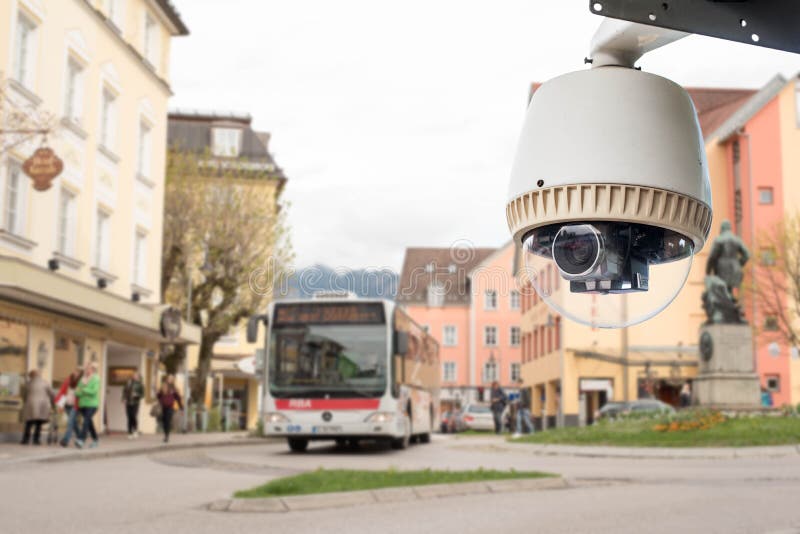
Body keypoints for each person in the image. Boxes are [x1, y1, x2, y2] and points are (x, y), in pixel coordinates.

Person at [20, 370, 54, 445]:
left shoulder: (28, 384)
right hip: (42, 406)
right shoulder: (45, 383)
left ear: (31, 376)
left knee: (29, 423)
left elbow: (24, 395)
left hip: (30, 406)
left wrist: (25, 401)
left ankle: (25, 439)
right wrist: (53, 403)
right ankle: (36, 440)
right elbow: (52, 394)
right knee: (38, 423)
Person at [74, 362, 100, 449]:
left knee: (86, 421)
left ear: (92, 369)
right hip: (82, 405)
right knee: (89, 423)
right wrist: (82, 390)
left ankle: (81, 440)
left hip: (92, 404)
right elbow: (77, 392)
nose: (86, 370)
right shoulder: (83, 379)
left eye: (87, 368)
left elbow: (94, 391)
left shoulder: (96, 378)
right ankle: (95, 439)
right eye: (85, 369)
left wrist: (83, 389)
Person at [55, 367, 83, 447]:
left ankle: (65, 440)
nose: (76, 373)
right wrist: (61, 404)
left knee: (70, 422)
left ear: (80, 374)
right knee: (74, 423)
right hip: (67, 404)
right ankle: (80, 438)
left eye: (78, 372)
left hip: (76, 406)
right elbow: (62, 392)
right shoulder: (68, 380)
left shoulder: (81, 382)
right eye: (75, 371)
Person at [156, 376, 183, 443]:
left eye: (171, 379)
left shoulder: (173, 388)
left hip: (170, 407)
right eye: (169, 379)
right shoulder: (163, 387)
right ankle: (165, 434)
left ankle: (166, 436)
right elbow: (159, 396)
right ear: (167, 379)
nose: (170, 380)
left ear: (172, 380)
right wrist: (158, 393)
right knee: (164, 421)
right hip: (163, 407)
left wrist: (181, 407)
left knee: (168, 421)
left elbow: (178, 398)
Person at [122, 372, 144, 439]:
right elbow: (124, 391)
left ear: (138, 377)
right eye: (134, 375)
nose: (134, 376)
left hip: (135, 403)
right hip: (128, 402)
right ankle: (129, 432)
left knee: (133, 416)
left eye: (136, 376)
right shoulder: (128, 383)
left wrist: (137, 395)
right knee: (129, 417)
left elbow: (142, 395)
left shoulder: (140, 384)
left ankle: (135, 430)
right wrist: (124, 398)